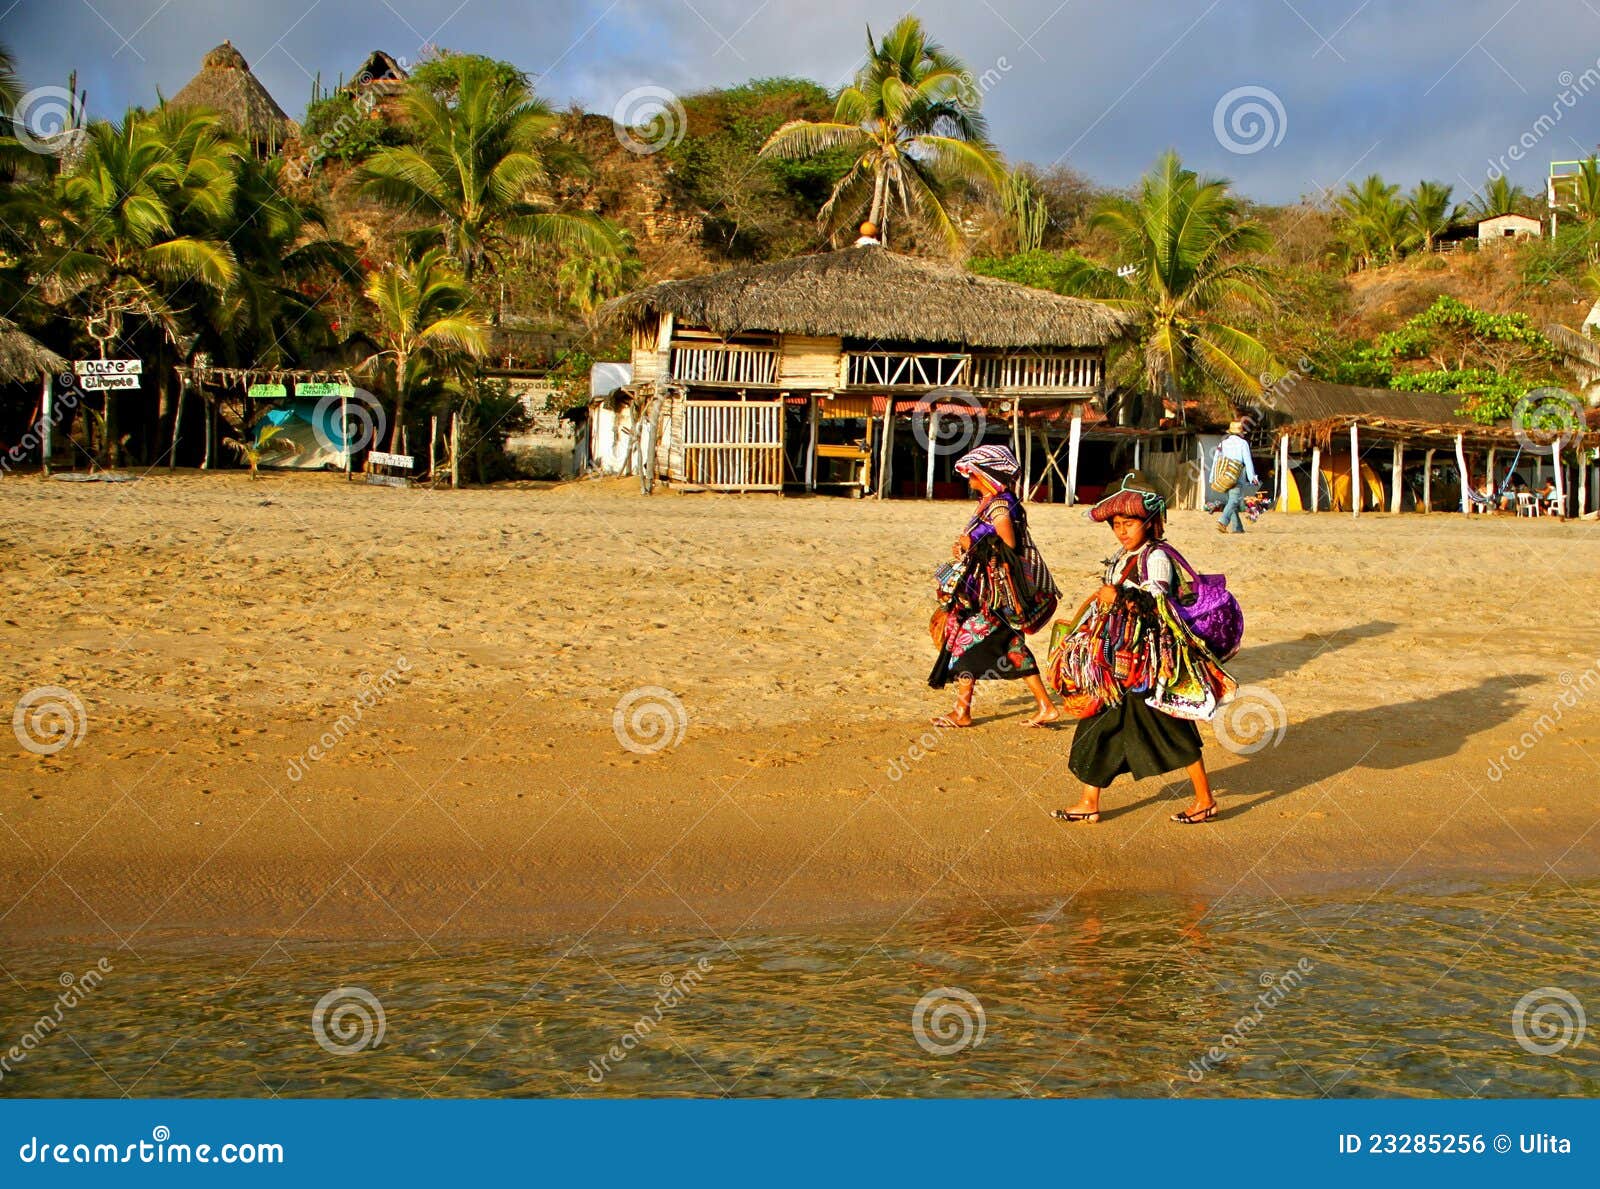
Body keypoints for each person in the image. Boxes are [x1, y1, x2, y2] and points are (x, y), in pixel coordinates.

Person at [1047, 475, 1237, 824]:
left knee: (1170, 729)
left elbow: (1158, 603)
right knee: (1098, 725)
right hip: (1121, 663)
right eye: (1117, 525)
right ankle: (1089, 801)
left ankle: (1205, 799)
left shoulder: (1157, 557)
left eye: (1129, 523)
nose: (1121, 531)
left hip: (1144, 665)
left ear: (1149, 523)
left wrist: (1120, 596)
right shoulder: (1124, 555)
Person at [930, 444, 1061, 728]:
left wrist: (972, 544)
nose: (970, 480)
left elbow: (1008, 545)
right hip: (991, 590)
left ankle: (962, 713)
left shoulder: (1000, 505)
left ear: (988, 476)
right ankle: (1045, 706)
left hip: (998, 595)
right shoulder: (992, 503)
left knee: (964, 642)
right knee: (1013, 648)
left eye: (974, 475)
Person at [1212, 420, 1258, 534]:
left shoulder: (1222, 444)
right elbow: (1248, 462)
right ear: (1240, 433)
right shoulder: (1243, 444)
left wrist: (1212, 477)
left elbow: (1216, 460)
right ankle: (1222, 521)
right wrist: (1253, 477)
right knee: (1234, 500)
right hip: (1236, 476)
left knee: (1231, 501)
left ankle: (1237, 528)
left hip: (1223, 476)